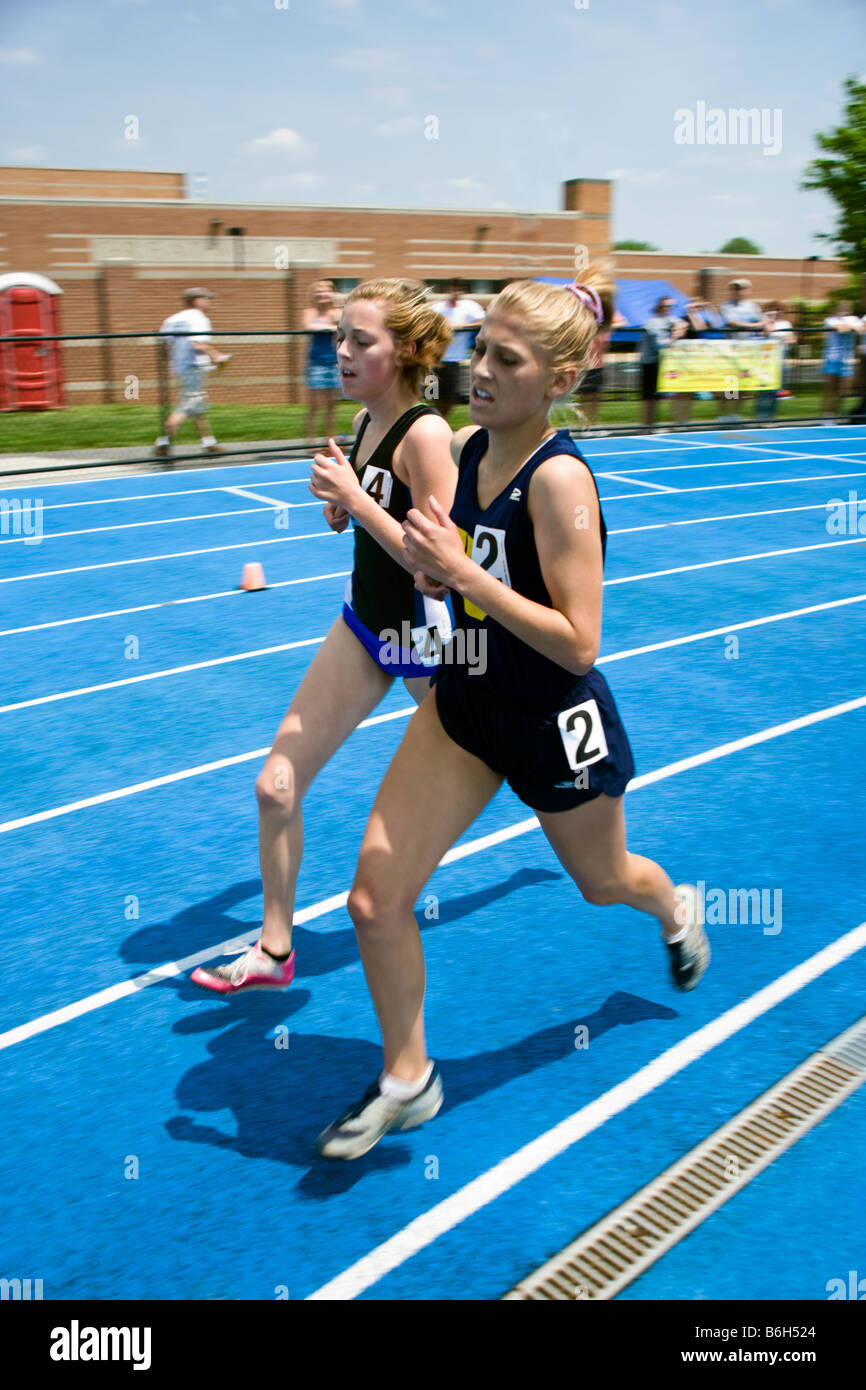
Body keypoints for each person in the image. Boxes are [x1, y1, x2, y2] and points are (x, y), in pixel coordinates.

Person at [316, 269, 710, 1160]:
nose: (482, 371)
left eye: (507, 359)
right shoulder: (462, 449)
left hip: (550, 718)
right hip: (467, 696)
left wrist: (465, 576)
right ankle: (408, 1079)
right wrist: (391, 536)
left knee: (604, 882)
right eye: (481, 349)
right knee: (374, 899)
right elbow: (438, 569)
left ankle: (675, 908)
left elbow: (579, 643)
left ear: (561, 379)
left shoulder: (560, 481)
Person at [190, 279, 455, 995]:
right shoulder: (366, 420)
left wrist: (357, 502)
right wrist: (344, 511)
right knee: (274, 786)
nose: (340, 351)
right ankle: (275, 951)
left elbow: (438, 567)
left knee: (516, 768)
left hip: (425, 643)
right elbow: (375, 523)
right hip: (365, 627)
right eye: (340, 336)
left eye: (360, 341)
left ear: (405, 351)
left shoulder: (427, 436)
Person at [153, 288, 231, 458]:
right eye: (206, 298)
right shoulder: (199, 318)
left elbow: (164, 346)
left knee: (197, 405)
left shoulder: (172, 319)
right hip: (194, 367)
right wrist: (217, 356)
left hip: (181, 368)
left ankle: (209, 443)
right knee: (188, 405)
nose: (209, 301)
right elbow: (197, 344)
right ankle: (163, 442)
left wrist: (173, 362)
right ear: (197, 301)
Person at [431, 280, 485, 420]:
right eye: (452, 289)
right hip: (436, 359)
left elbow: (483, 321)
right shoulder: (438, 308)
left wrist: (461, 326)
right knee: (432, 394)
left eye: (458, 289)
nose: (455, 292)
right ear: (447, 291)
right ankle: (434, 419)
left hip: (455, 359)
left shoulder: (469, 307)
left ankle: (439, 419)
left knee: (449, 397)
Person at [718, 279, 766, 422]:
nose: (739, 292)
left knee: (743, 383)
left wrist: (764, 325)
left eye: (742, 289)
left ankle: (736, 413)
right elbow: (732, 322)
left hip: (748, 351)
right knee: (730, 384)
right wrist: (754, 325)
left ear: (748, 290)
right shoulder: (726, 306)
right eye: (736, 289)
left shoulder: (753, 306)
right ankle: (724, 414)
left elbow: (764, 321)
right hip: (731, 350)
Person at [303, 280, 343, 441]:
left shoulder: (337, 313)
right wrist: (332, 327)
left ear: (332, 293)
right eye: (319, 291)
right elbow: (309, 326)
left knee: (332, 405)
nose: (322, 294)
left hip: (334, 363)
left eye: (326, 290)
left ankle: (330, 439)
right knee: (314, 405)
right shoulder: (309, 312)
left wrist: (331, 326)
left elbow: (343, 327)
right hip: (316, 363)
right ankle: (310, 441)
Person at [639, 294, 686, 429]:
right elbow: (659, 345)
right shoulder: (653, 323)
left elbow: (683, 323)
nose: (668, 308)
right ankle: (648, 426)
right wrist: (675, 336)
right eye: (665, 306)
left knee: (659, 396)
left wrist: (680, 327)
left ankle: (654, 425)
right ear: (659, 307)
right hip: (650, 362)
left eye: (671, 306)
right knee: (650, 397)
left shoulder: (669, 319)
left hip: (661, 362)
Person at [577, 306, 626, 434]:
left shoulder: (606, 310)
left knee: (596, 396)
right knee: (585, 397)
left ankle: (593, 425)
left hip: (600, 362)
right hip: (585, 363)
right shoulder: (584, 310)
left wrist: (607, 327)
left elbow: (622, 322)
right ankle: (584, 426)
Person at [821, 301, 863, 423]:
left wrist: (850, 325)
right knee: (830, 389)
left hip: (846, 360)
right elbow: (840, 328)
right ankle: (826, 415)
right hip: (832, 358)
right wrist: (851, 325)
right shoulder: (830, 320)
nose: (844, 312)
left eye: (846, 310)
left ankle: (834, 415)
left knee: (843, 390)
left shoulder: (853, 319)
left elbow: (861, 329)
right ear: (836, 311)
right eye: (841, 310)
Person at [756, 301, 796, 421]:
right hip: (766, 360)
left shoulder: (786, 323)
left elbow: (792, 339)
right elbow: (765, 335)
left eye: (778, 309)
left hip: (781, 358)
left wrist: (781, 338)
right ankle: (761, 417)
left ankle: (771, 417)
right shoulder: (763, 322)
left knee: (776, 390)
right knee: (764, 389)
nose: (776, 312)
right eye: (772, 309)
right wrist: (769, 321)